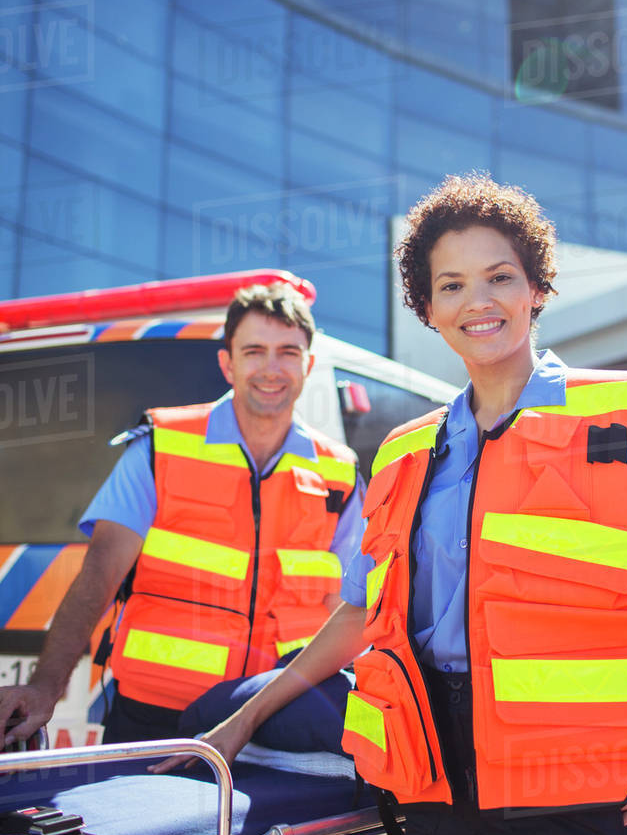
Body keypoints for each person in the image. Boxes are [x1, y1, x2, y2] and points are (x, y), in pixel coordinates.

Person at [154, 176, 627, 835]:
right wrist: (245, 717)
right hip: (436, 799)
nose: (477, 300)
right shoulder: (403, 453)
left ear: (536, 289)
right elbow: (362, 616)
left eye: (499, 276)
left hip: (576, 803)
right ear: (427, 309)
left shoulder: (618, 420)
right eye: (450, 284)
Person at [0, 283, 362, 746]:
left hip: (277, 718)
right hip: (155, 718)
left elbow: (350, 606)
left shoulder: (341, 471)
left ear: (308, 365)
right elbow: (100, 572)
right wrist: (45, 687)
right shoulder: (159, 447)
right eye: (254, 351)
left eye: (288, 353)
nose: (271, 368)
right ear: (227, 364)